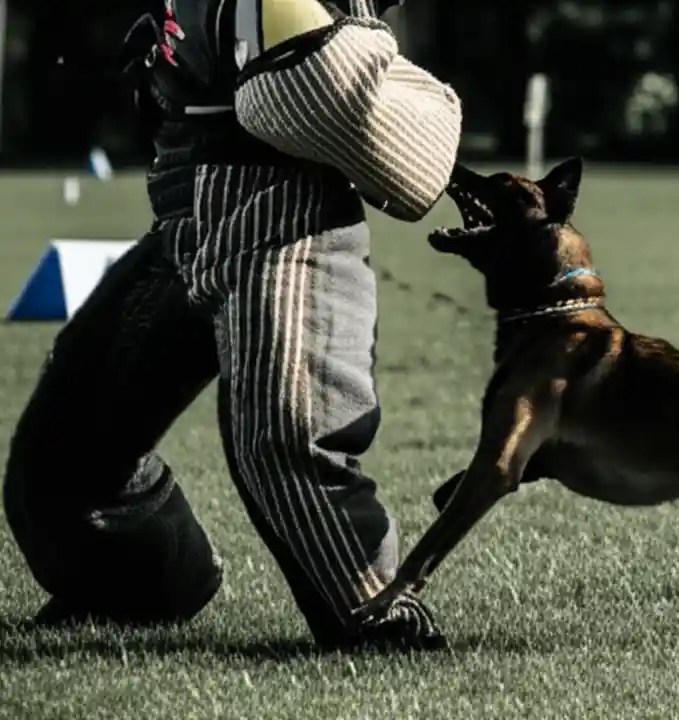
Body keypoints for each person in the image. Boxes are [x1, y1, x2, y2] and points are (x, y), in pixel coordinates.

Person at [3, 0, 462, 650]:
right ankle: (145, 587)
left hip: (280, 209)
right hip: (184, 218)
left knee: (284, 438)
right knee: (62, 468)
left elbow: (320, 76)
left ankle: (381, 617)